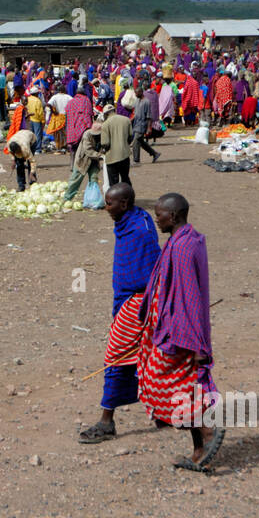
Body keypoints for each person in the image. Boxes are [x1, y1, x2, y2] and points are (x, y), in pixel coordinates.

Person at [136, 193, 224, 470]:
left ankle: (208, 430)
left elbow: (190, 297)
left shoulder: (184, 247)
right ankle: (200, 451)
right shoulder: (181, 240)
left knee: (157, 381)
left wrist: (197, 344)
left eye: (159, 214)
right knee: (185, 388)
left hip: (179, 333)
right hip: (173, 329)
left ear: (172, 216)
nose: (156, 218)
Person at [79, 181, 160, 444]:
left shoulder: (140, 230)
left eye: (110, 203)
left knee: (115, 357)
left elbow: (147, 273)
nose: (105, 207)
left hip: (138, 303)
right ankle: (162, 410)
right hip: (128, 300)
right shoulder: (133, 221)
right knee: (145, 356)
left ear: (124, 204)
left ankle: (106, 421)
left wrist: (143, 304)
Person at [99, 111, 134, 187]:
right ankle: (128, 196)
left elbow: (105, 143)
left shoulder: (105, 124)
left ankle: (116, 198)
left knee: (114, 182)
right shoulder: (126, 120)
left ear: (106, 114)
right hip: (125, 155)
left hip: (112, 157)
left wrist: (103, 150)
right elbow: (131, 136)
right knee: (125, 178)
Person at [6, 127, 38, 192]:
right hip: (20, 136)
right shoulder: (9, 145)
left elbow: (32, 161)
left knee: (29, 164)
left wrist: (32, 173)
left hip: (31, 139)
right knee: (19, 165)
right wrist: (13, 161)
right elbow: (11, 154)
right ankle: (21, 185)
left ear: (19, 148)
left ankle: (32, 183)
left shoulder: (25, 148)